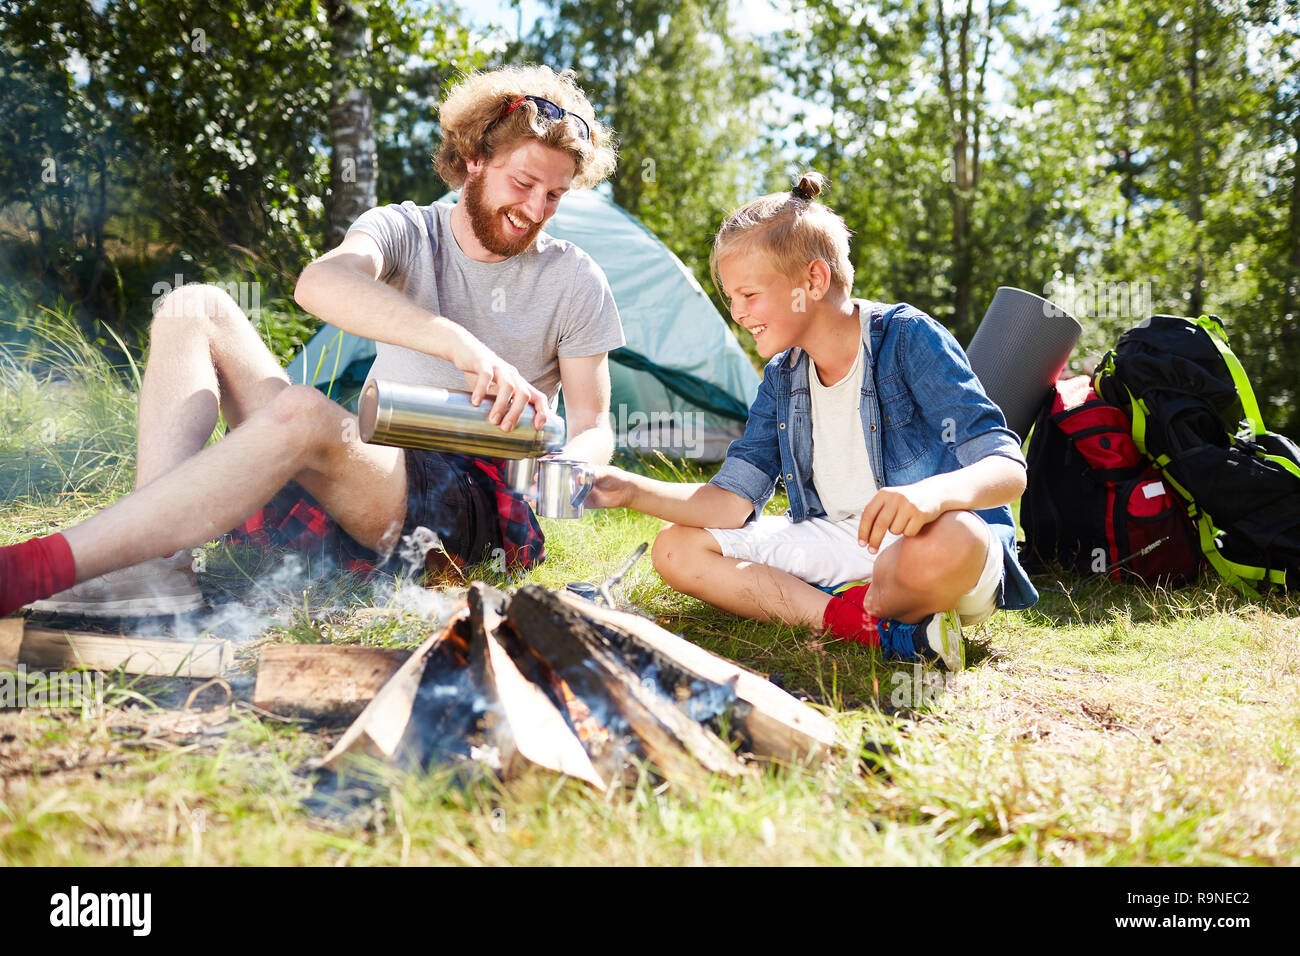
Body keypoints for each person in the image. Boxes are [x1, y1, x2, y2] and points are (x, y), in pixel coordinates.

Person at [0, 65, 624, 618]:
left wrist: (573, 464)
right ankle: (155, 568)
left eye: (555, 195)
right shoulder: (405, 229)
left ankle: (35, 567)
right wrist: (459, 344)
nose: (537, 208)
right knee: (196, 306)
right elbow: (321, 283)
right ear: (474, 159)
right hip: (372, 466)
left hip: (468, 500)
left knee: (302, 412)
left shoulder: (574, 279)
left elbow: (596, 425)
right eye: (524, 183)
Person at [586, 172, 1037, 669]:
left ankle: (857, 599)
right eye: (731, 298)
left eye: (749, 295)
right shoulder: (782, 376)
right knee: (676, 549)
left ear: (814, 281)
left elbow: (1006, 466)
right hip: (838, 539)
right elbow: (732, 503)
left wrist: (933, 496)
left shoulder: (907, 337)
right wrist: (628, 489)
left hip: (932, 546)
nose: (737, 312)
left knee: (959, 538)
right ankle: (867, 627)